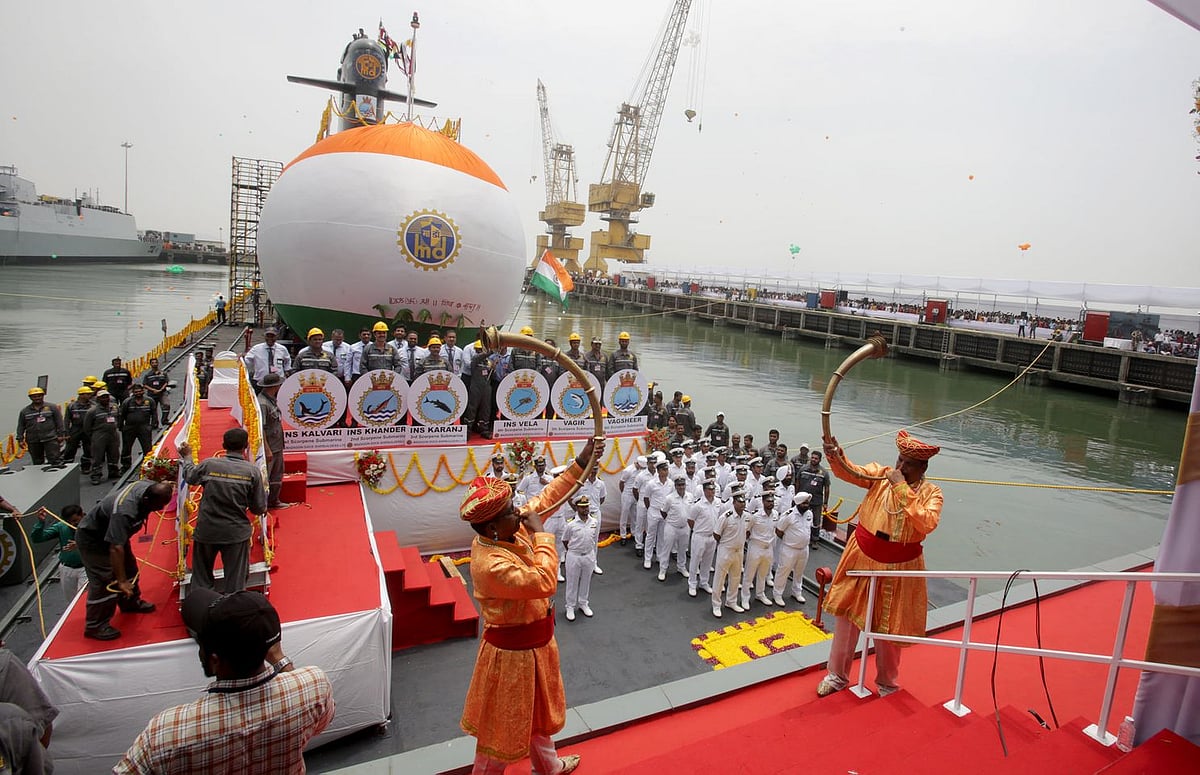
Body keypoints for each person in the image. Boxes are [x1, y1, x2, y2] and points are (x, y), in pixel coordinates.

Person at [458, 437, 600, 775]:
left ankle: (548, 767)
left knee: (538, 716)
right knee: (501, 733)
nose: (520, 512)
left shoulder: (505, 530)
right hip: (511, 659)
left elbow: (548, 496)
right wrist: (543, 536)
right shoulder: (490, 564)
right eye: (511, 512)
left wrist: (582, 460)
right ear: (492, 526)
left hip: (536, 646)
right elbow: (544, 582)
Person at [115, 588, 335, 774]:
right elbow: (320, 723)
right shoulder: (314, 687)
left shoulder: (166, 733)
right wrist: (279, 658)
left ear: (214, 661)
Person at [817, 431, 944, 698]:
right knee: (846, 621)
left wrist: (900, 487)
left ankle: (887, 683)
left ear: (923, 467)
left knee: (889, 627)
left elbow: (926, 522)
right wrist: (835, 453)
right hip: (863, 555)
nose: (900, 468)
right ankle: (837, 676)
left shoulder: (932, 494)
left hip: (899, 566)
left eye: (909, 464)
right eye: (900, 460)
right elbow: (851, 472)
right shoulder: (880, 475)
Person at [75, 480, 173, 640]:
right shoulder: (124, 511)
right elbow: (115, 548)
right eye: (158, 506)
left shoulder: (147, 488)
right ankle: (95, 626)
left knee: (130, 570)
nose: (161, 509)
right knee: (105, 580)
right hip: (94, 541)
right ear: (147, 500)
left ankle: (130, 603)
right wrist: (121, 581)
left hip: (116, 536)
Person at [179, 429, 268, 593]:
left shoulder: (209, 465)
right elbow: (259, 508)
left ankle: (202, 607)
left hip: (206, 530)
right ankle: (231, 610)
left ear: (223, 445)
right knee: (235, 583)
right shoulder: (252, 472)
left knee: (201, 579)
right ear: (246, 446)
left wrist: (187, 456)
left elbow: (190, 476)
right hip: (235, 534)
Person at [31, 504, 86, 604]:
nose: (73, 524)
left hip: (86, 568)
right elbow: (37, 538)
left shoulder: (93, 524)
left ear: (82, 515)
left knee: (83, 599)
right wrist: (40, 522)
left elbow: (101, 541)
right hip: (66, 568)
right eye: (69, 522)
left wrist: (80, 544)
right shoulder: (61, 526)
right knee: (72, 603)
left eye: (75, 521)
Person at [711, 493, 749, 618]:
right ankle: (716, 604)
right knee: (720, 578)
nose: (742, 504)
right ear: (734, 502)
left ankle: (731, 601)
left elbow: (747, 532)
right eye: (740, 502)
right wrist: (726, 544)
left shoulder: (746, 516)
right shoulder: (726, 516)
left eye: (744, 502)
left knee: (736, 577)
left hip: (739, 551)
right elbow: (716, 534)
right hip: (726, 550)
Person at [561, 495, 599, 621]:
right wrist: (573, 551)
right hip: (574, 555)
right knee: (572, 582)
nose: (585, 509)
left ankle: (583, 603)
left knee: (586, 580)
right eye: (582, 507)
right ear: (576, 508)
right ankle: (570, 606)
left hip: (588, 555)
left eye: (586, 506)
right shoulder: (570, 524)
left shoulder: (594, 521)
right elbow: (565, 540)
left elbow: (593, 538)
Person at [256, 373, 290, 509]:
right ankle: (264, 503)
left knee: (276, 475)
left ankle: (273, 501)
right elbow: (261, 428)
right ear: (275, 386)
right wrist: (267, 449)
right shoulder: (263, 404)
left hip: (276, 444)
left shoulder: (269, 400)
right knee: (268, 476)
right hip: (270, 446)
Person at [741, 491, 778, 608]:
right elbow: (747, 531)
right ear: (762, 502)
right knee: (749, 573)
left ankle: (760, 594)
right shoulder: (755, 516)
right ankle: (745, 598)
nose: (770, 503)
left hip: (768, 548)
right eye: (768, 501)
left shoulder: (776, 514)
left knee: (763, 573)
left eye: (772, 501)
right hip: (756, 546)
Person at [774, 492, 813, 606]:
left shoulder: (809, 514)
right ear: (799, 503)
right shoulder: (788, 515)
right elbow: (779, 530)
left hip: (804, 549)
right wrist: (790, 540)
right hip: (789, 549)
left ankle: (797, 592)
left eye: (807, 503)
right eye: (804, 503)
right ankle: (777, 594)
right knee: (783, 571)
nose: (807, 505)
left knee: (799, 572)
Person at [687, 479, 720, 597]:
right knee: (695, 560)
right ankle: (692, 583)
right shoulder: (698, 505)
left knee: (708, 561)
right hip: (700, 536)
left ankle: (704, 582)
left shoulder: (718, 502)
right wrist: (698, 530)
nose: (712, 492)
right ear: (704, 490)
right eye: (709, 489)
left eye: (713, 489)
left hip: (712, 537)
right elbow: (690, 520)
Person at [16, 387, 64, 466]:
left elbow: (59, 422)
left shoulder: (52, 407)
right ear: (30, 397)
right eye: (34, 396)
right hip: (33, 440)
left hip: (50, 438)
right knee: (37, 461)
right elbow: (21, 426)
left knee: (55, 459)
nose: (37, 398)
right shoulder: (25, 411)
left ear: (43, 396)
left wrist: (61, 435)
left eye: (39, 396)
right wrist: (20, 439)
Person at [118, 383, 158, 473]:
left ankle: (148, 466)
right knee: (126, 448)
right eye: (136, 392)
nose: (138, 393)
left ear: (143, 391)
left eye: (140, 391)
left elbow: (154, 414)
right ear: (133, 392)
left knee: (147, 448)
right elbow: (122, 415)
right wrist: (121, 427)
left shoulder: (149, 401)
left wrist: (151, 426)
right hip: (130, 428)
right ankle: (125, 466)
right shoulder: (127, 402)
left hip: (144, 427)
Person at [83, 389, 121, 484]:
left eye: (106, 397)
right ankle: (96, 475)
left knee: (114, 454)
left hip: (113, 434)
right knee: (97, 456)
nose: (105, 399)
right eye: (103, 397)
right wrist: (94, 436)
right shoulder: (92, 411)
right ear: (98, 399)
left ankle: (113, 472)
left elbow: (119, 418)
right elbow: (87, 427)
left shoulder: (115, 407)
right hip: (99, 435)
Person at [657, 477, 691, 582]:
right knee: (666, 549)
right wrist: (670, 521)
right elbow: (663, 511)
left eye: (683, 485)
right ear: (675, 486)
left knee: (683, 549)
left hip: (685, 527)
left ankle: (681, 567)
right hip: (671, 527)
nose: (681, 487)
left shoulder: (690, 496)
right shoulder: (669, 498)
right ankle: (663, 569)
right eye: (679, 485)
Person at [797, 450, 831, 546]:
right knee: (800, 518)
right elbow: (797, 482)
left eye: (816, 458)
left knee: (816, 521)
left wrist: (825, 502)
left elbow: (827, 488)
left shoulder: (824, 473)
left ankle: (814, 540)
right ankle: (801, 538)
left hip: (816, 501)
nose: (813, 460)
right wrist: (796, 496)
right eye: (812, 457)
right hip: (803, 500)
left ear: (820, 460)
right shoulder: (803, 469)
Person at [63, 386, 94, 473]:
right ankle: (67, 467)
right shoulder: (71, 406)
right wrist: (66, 432)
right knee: (70, 449)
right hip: (75, 429)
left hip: (88, 430)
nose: (90, 395)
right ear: (81, 395)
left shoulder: (93, 406)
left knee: (88, 449)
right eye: (87, 394)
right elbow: (66, 420)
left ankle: (86, 467)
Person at [617, 455, 646, 545]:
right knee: (624, 515)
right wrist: (624, 493)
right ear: (638, 463)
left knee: (635, 515)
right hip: (627, 494)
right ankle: (623, 535)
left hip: (636, 494)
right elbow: (621, 482)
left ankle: (633, 533)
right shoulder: (628, 470)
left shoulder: (642, 470)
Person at [140, 357, 171, 425]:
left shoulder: (163, 373)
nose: (155, 364)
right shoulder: (148, 375)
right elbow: (144, 384)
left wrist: (161, 389)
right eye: (153, 363)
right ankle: (154, 422)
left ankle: (164, 420)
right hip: (152, 394)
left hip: (162, 393)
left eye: (156, 362)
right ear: (150, 364)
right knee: (153, 408)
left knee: (166, 405)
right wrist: (153, 390)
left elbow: (166, 382)